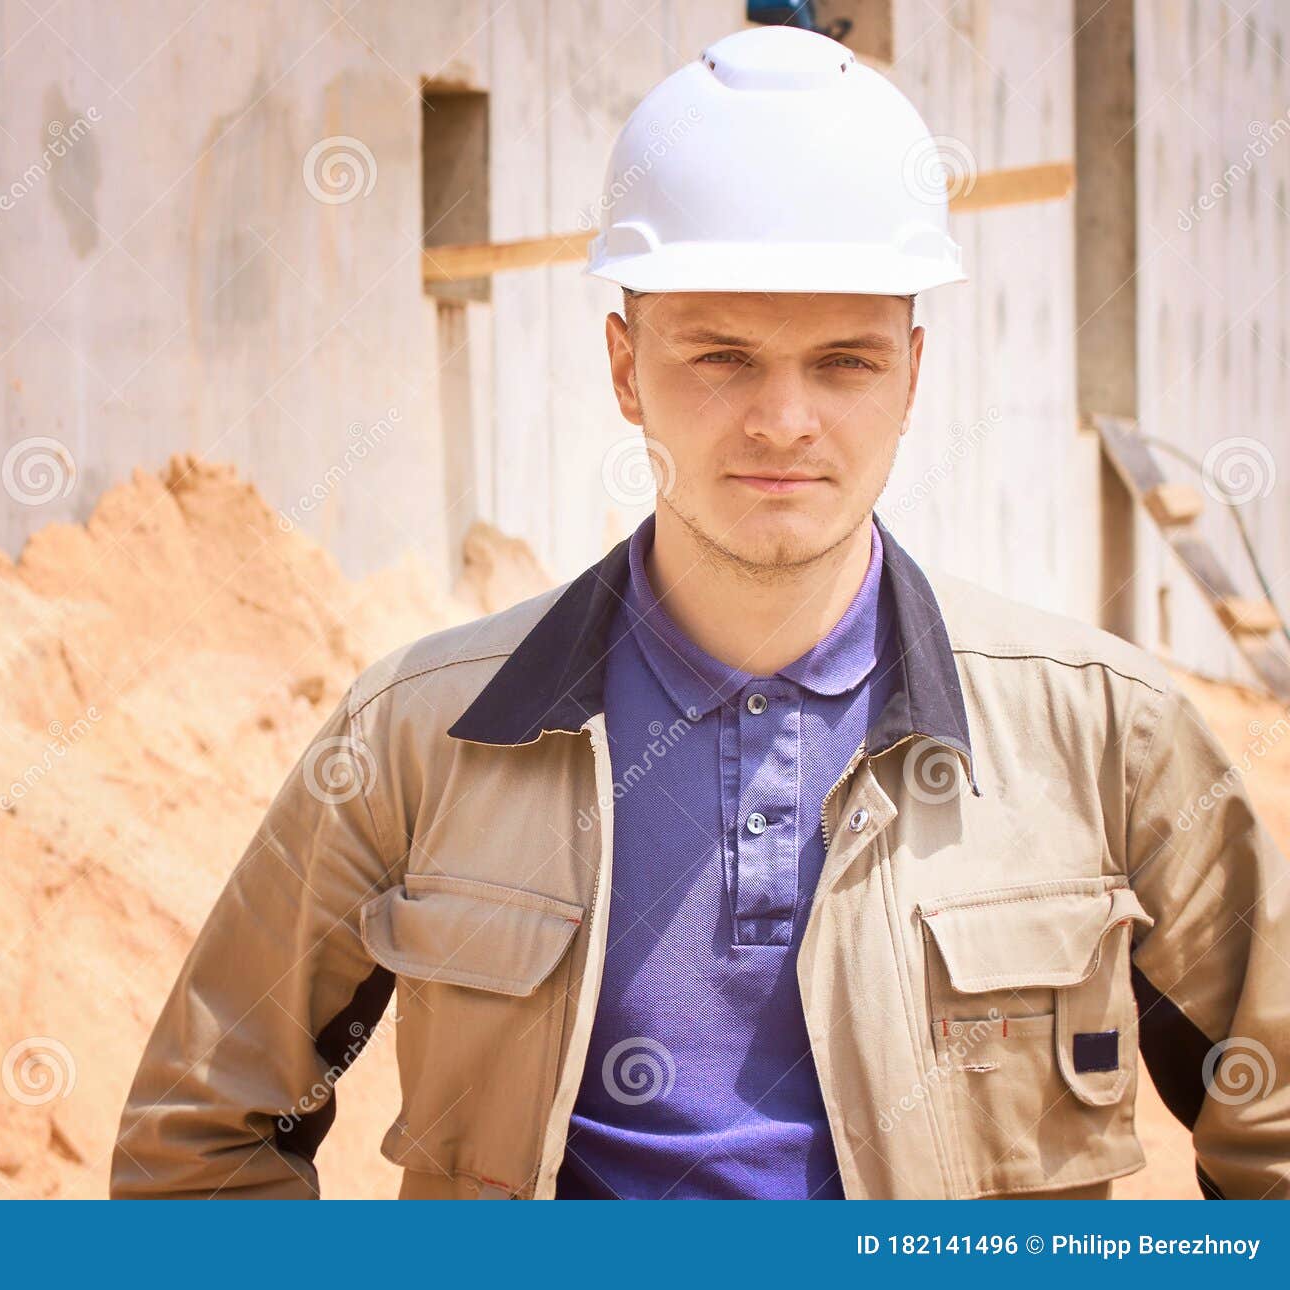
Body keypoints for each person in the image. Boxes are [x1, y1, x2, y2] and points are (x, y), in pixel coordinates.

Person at [110, 24, 1290, 1200]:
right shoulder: (420, 737)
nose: (783, 421)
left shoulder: (1103, 739)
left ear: (913, 373)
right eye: (722, 358)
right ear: (626, 369)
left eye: (843, 362)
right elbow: (200, 1143)